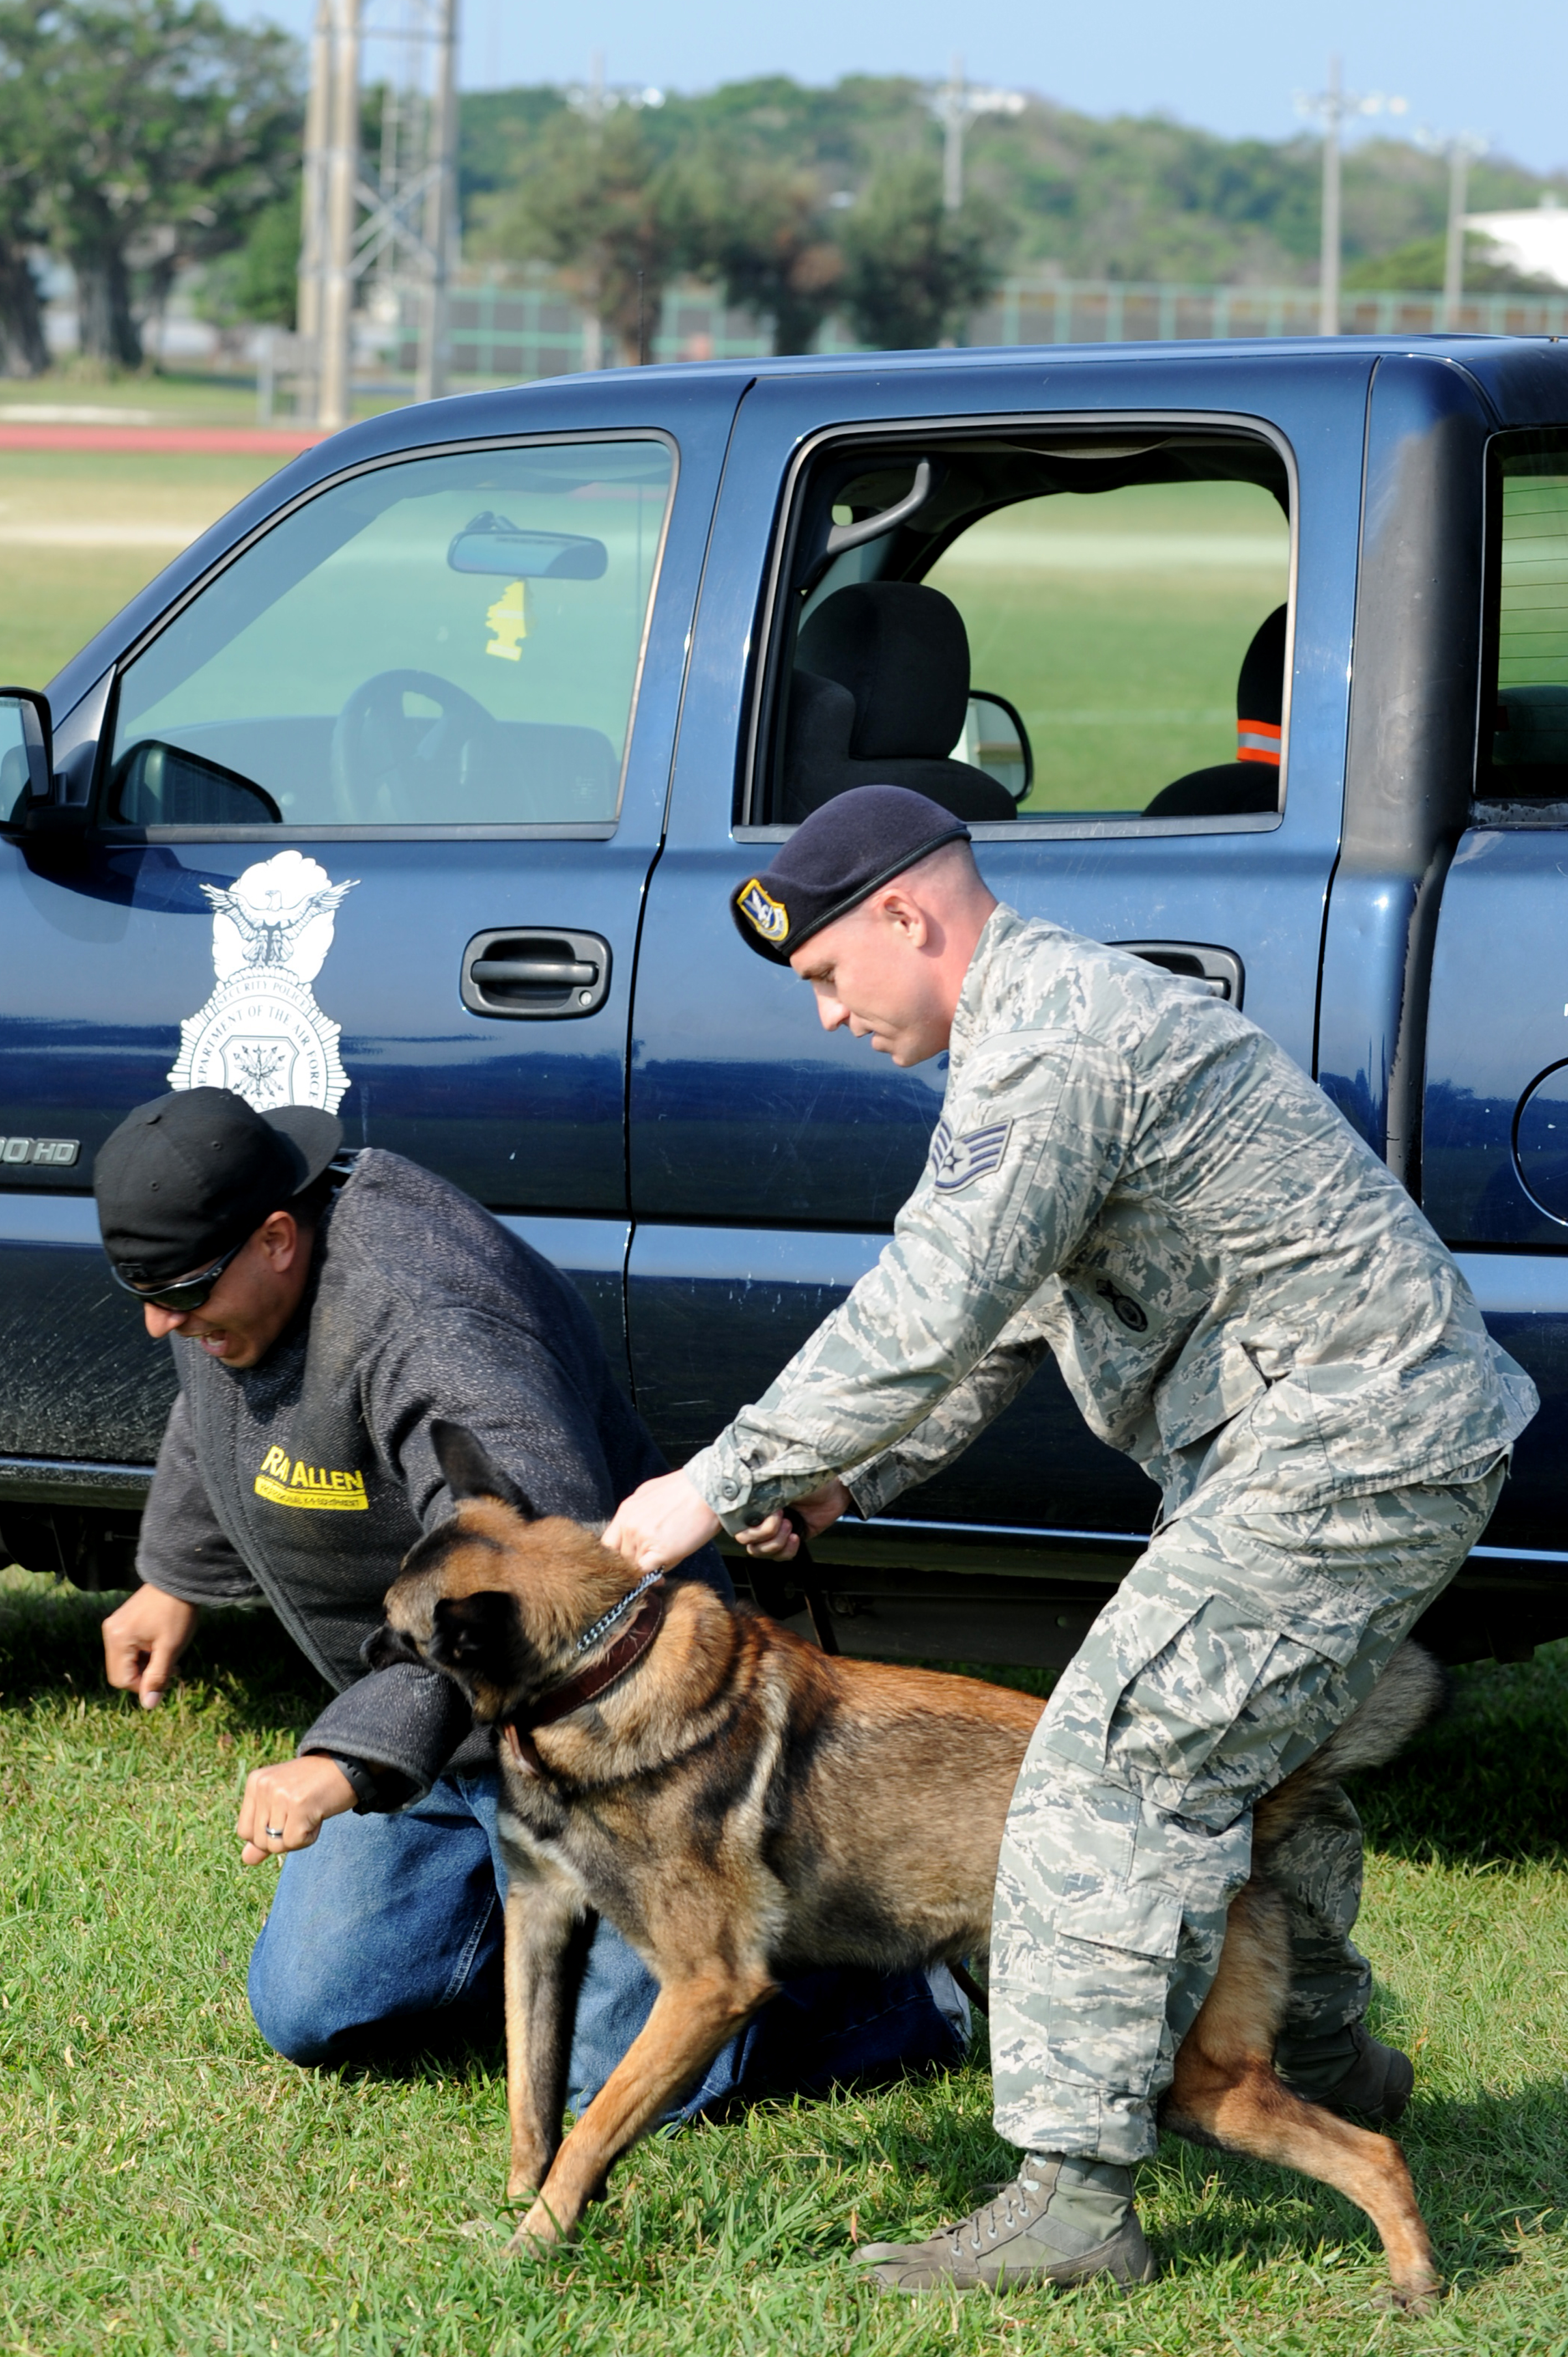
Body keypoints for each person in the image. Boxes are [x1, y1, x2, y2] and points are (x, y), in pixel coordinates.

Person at [604, 784, 1538, 2292]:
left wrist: (718, 1481)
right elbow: (1010, 1311)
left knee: (1109, 1763)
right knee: (1234, 1755)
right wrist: (855, 1475)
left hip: (1353, 1443)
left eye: (830, 973)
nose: (829, 1014)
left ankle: (1073, 2199)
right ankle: (1328, 2065)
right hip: (1353, 1439)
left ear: (907, 915)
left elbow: (934, 1296)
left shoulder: (1056, 1044)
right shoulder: (1036, 1036)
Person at [93, 1085, 965, 2106]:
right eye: (142, 1292)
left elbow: (525, 1609)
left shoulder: (434, 1321)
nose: (159, 1322)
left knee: (618, 2092)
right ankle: (535, 1937)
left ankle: (889, 1992)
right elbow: (218, 1412)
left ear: (278, 1237)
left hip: (603, 1733)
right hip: (440, 1721)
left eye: (180, 1292)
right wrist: (174, 1577)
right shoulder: (221, 1283)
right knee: (316, 2007)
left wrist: (347, 1761)